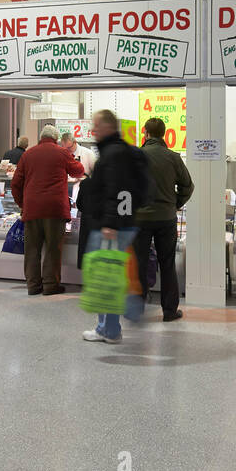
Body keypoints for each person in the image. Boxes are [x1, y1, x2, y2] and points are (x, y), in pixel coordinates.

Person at [77, 110, 150, 344]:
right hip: (123, 223)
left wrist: (109, 223)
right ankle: (110, 326)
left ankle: (115, 325)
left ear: (108, 127)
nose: (93, 130)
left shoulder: (112, 154)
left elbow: (115, 191)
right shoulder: (124, 150)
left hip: (112, 226)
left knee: (106, 274)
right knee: (112, 272)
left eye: (96, 126)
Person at [12, 126, 84, 295]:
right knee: (53, 248)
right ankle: (51, 285)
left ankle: (33, 286)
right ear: (56, 138)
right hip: (54, 208)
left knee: (32, 249)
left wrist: (23, 204)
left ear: (40, 137)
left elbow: (15, 184)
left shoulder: (27, 154)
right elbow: (78, 170)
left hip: (32, 209)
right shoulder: (61, 152)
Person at [136, 117, 193, 323]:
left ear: (146, 133)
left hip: (140, 220)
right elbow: (188, 186)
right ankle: (169, 311)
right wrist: (174, 204)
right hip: (166, 219)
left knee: (139, 263)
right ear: (164, 133)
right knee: (167, 263)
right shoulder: (173, 157)